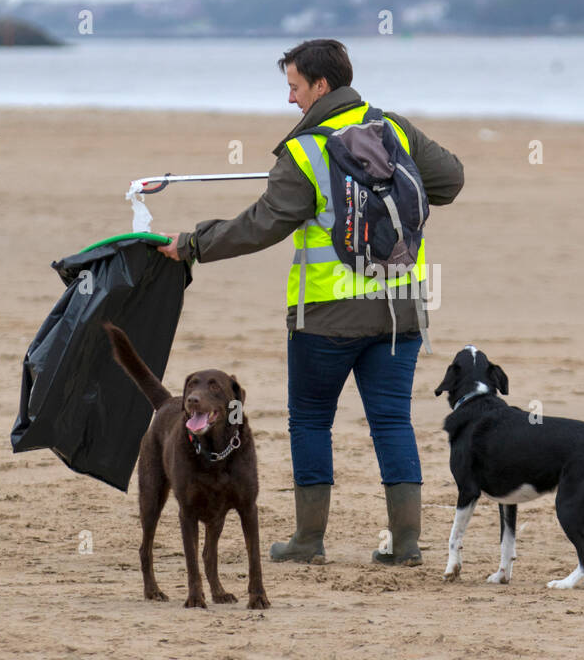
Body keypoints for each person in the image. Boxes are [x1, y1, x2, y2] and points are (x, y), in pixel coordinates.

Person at [158, 38, 464, 566]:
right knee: (391, 422)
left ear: (322, 86)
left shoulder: (304, 151)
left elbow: (261, 225)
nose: (291, 100)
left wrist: (193, 244)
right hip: (399, 312)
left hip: (325, 319)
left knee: (311, 421)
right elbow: (450, 181)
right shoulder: (394, 129)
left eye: (295, 88)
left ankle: (308, 541)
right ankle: (408, 545)